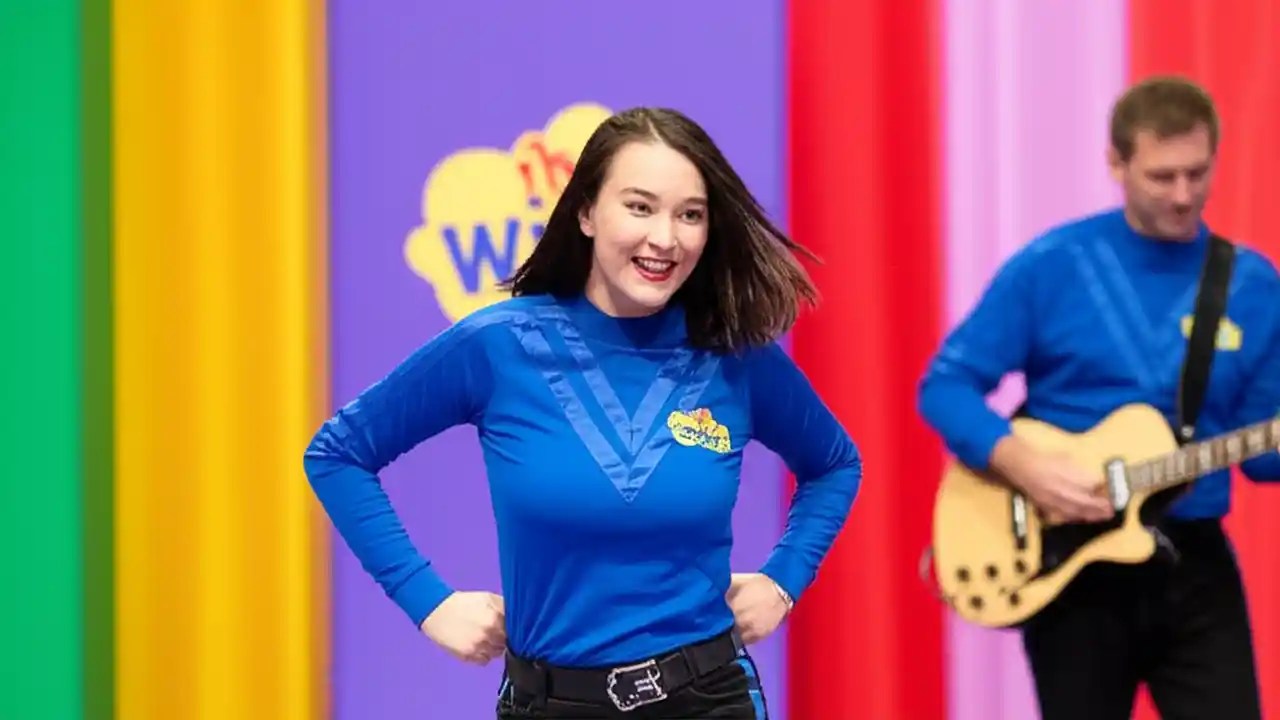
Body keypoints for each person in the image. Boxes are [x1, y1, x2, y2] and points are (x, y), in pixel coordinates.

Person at [304, 106, 862, 719]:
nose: (665, 238)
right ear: (587, 212)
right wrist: (428, 601)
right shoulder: (497, 346)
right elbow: (338, 454)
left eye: (690, 214)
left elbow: (834, 463)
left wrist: (783, 580)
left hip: (709, 699)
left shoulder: (734, 356)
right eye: (640, 206)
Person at [918, 75, 1280, 720]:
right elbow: (945, 387)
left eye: (1197, 174)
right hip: (1069, 563)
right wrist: (1026, 467)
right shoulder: (1052, 265)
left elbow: (1260, 453)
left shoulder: (1252, 284)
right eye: (1161, 176)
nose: (1183, 195)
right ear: (1116, 163)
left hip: (1193, 561)